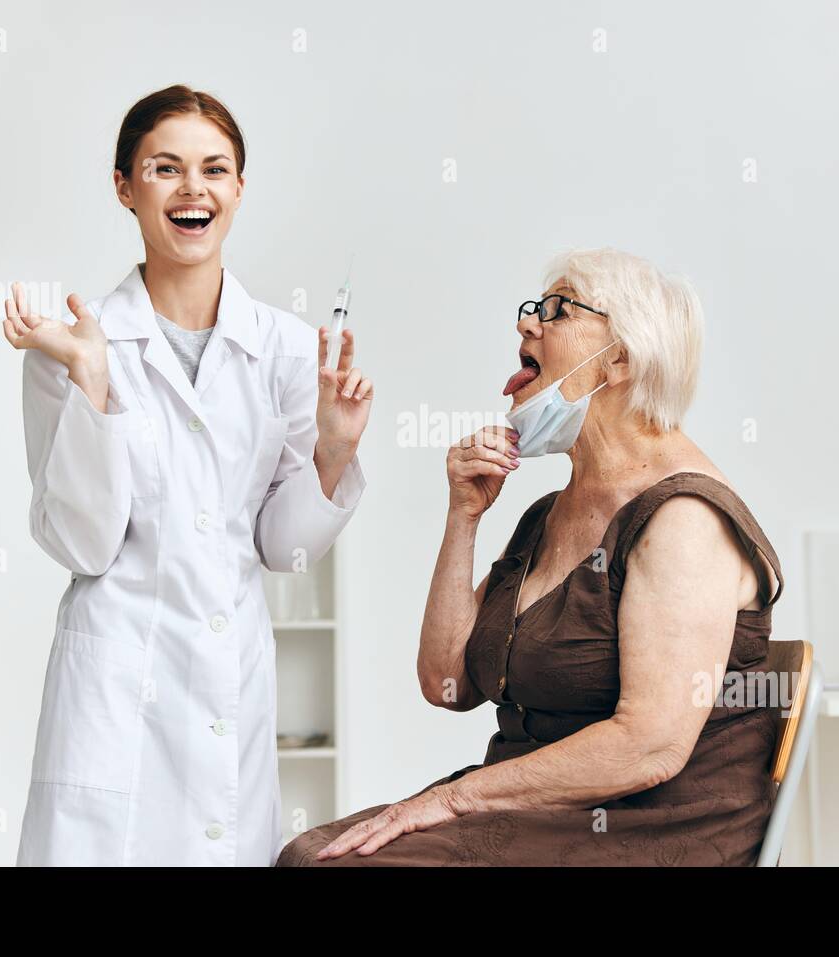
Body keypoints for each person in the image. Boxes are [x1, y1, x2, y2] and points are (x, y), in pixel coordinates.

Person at [278, 247, 783, 866]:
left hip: (647, 829)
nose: (526, 325)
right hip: (535, 812)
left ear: (622, 356)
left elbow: (649, 746)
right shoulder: (550, 514)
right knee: (310, 853)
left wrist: (458, 799)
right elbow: (448, 682)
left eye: (558, 310)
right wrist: (463, 517)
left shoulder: (685, 517)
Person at [3, 85, 373, 866]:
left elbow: (283, 547)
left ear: (239, 188)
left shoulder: (281, 347)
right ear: (124, 185)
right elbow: (85, 542)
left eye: (214, 169)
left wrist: (333, 449)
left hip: (224, 686)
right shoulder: (67, 347)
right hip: (112, 687)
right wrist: (93, 380)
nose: (192, 189)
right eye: (164, 168)